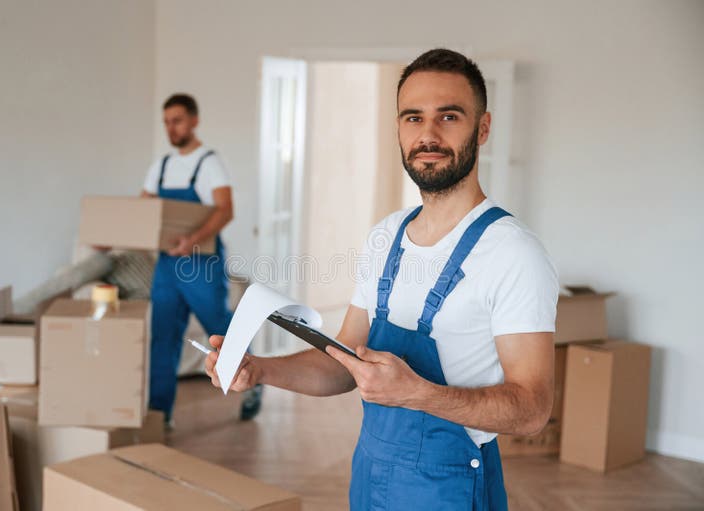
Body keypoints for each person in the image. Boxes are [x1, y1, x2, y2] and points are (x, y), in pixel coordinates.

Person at [204, 49, 558, 510]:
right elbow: (341, 363)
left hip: (449, 489)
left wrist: (419, 393)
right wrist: (260, 370)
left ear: (483, 128)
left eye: (448, 116)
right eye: (413, 118)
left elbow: (532, 409)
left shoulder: (513, 252)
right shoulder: (385, 237)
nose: (428, 134)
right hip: (371, 478)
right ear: (398, 129)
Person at [143, 93, 262, 428]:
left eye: (177, 120)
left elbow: (226, 210)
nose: (171, 127)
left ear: (194, 121)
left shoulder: (209, 162)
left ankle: (256, 385)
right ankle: (160, 413)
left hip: (200, 262)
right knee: (163, 336)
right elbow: (141, 212)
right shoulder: (161, 166)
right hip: (167, 265)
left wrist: (191, 241)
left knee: (220, 331)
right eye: (166, 121)